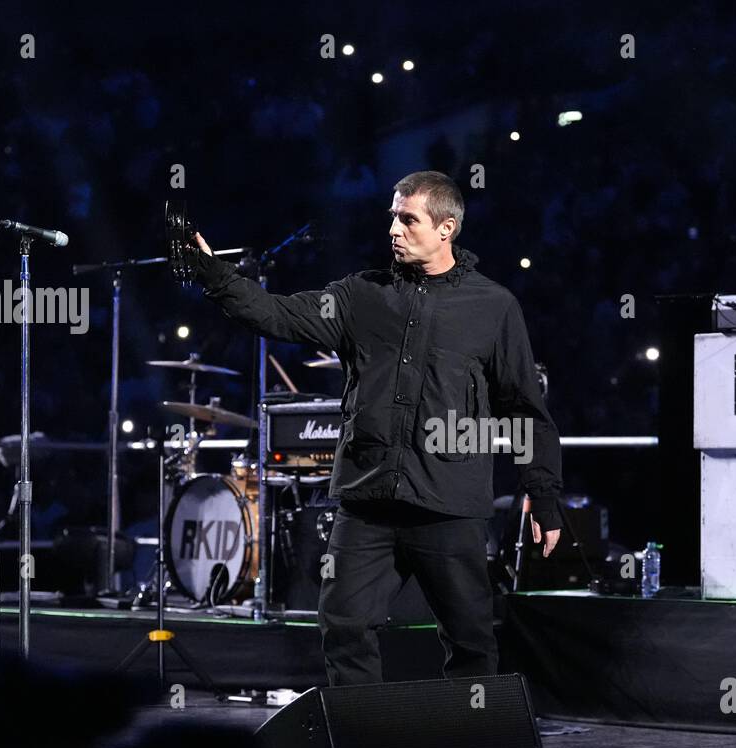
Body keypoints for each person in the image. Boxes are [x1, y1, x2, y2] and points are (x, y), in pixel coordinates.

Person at [184, 170, 563, 684]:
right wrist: (214, 274)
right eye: (393, 216)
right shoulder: (360, 295)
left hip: (448, 506)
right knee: (344, 627)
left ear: (447, 228)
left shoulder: (494, 307)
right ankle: (362, 745)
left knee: (471, 639)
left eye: (408, 219)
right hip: (367, 504)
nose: (394, 229)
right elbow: (276, 314)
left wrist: (542, 495)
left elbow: (525, 408)